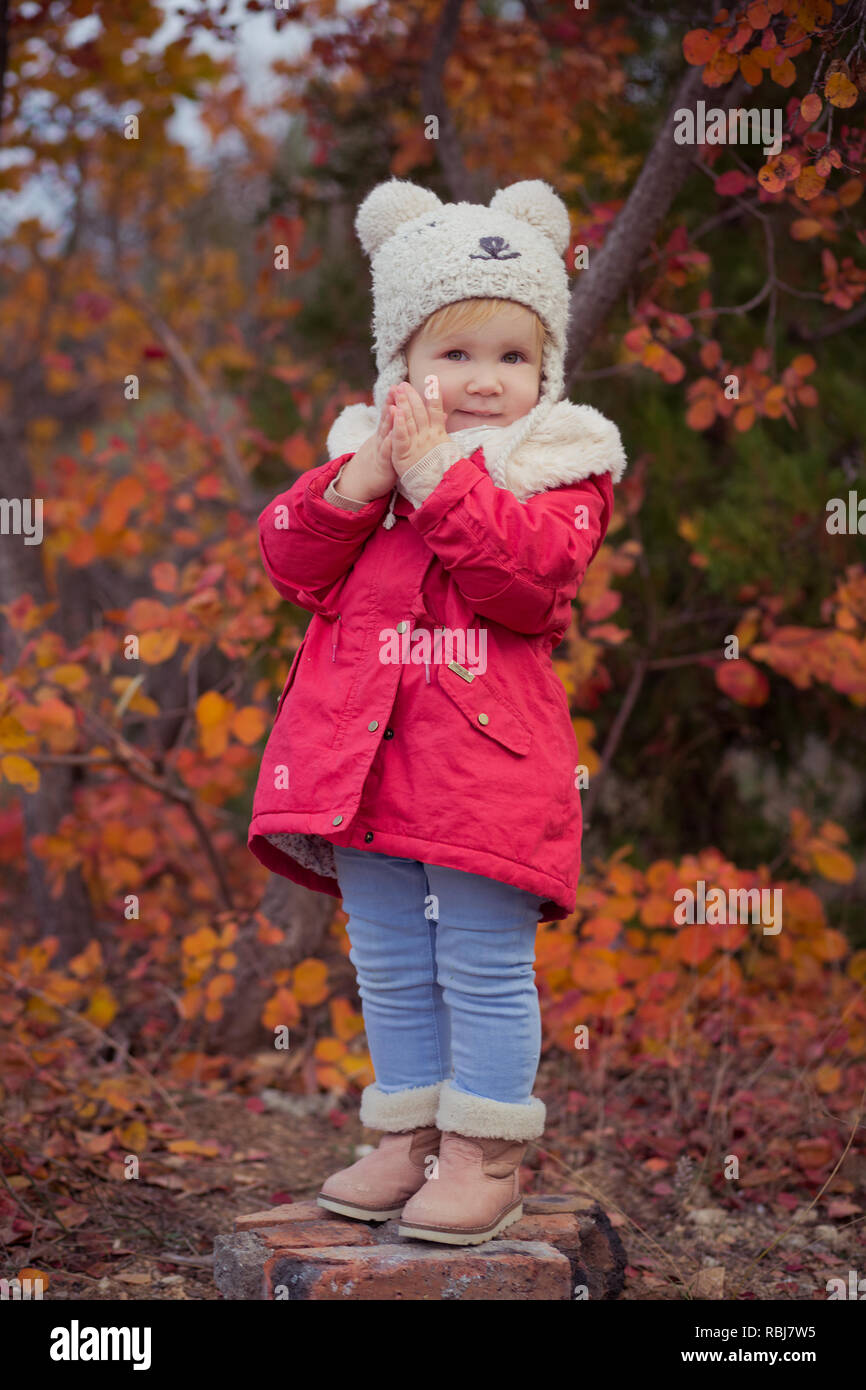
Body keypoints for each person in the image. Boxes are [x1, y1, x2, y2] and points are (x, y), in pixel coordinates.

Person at [248, 177, 627, 1245]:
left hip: (483, 773)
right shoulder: (363, 463)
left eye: (511, 357)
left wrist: (433, 476)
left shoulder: (556, 473)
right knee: (390, 961)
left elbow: (526, 579)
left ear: (544, 369)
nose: (481, 382)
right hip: (360, 770)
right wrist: (369, 475)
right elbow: (289, 558)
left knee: (478, 961)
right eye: (452, 355)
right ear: (401, 365)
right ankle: (407, 1134)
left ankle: (483, 1153)